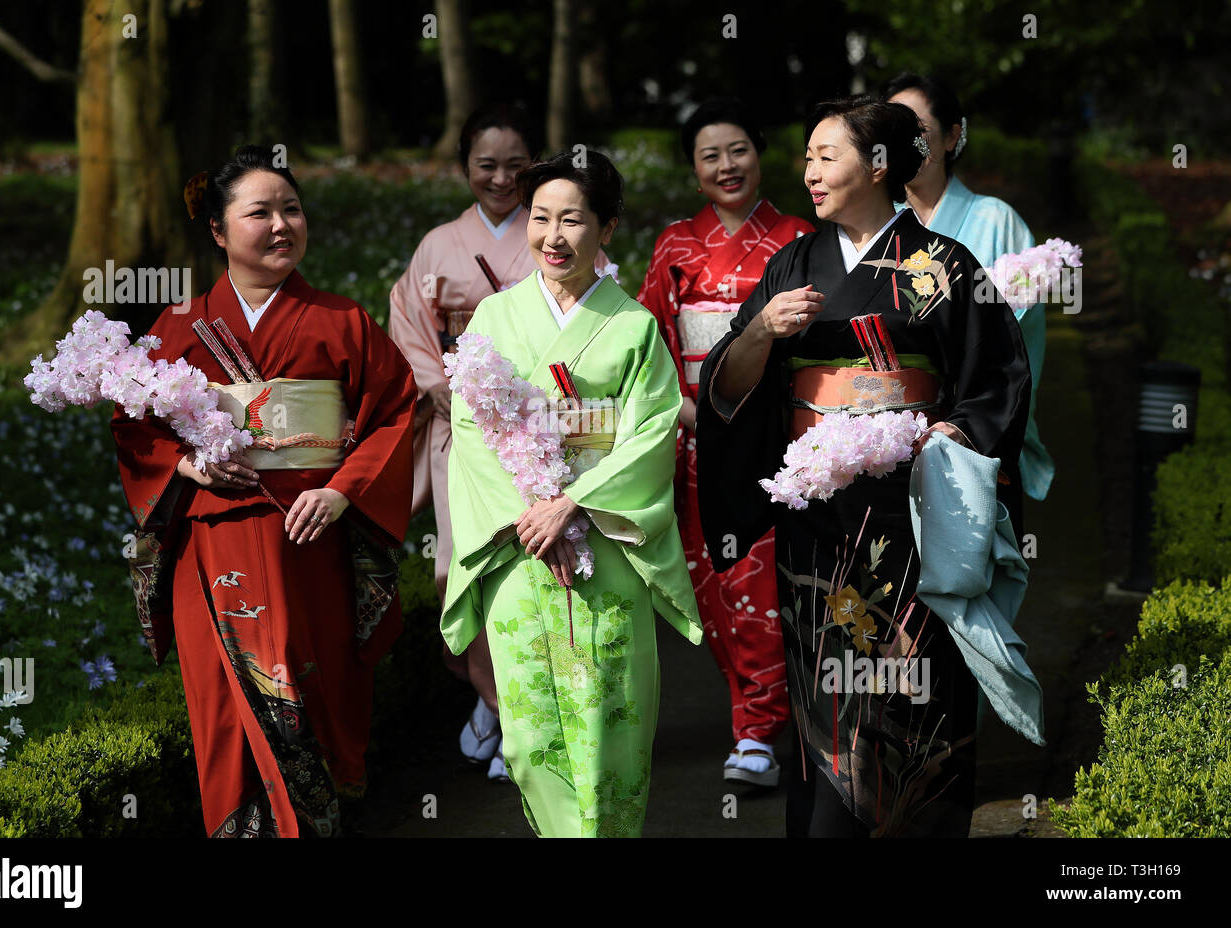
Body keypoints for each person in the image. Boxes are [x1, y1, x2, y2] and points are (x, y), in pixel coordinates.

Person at [696, 98, 1030, 837]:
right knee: (827, 688)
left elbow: (997, 377)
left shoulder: (941, 263)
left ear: (878, 166)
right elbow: (727, 385)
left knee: (914, 687)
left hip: (911, 510)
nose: (809, 172)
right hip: (817, 517)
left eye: (827, 156)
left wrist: (950, 433)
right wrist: (760, 330)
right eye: (808, 157)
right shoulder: (792, 265)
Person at [111, 145, 417, 837]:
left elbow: (397, 412)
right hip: (211, 544)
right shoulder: (180, 325)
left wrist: (342, 491)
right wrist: (187, 466)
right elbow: (133, 423)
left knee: (312, 692)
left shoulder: (343, 323)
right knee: (227, 712)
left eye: (292, 209)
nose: (282, 224)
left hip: (309, 541)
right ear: (218, 232)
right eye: (260, 213)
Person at [441, 150, 702, 837]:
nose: (554, 237)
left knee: (609, 716)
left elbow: (650, 435)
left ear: (607, 228)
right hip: (520, 547)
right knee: (530, 734)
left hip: (604, 546)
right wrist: (532, 511)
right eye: (540, 218)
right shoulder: (494, 317)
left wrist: (576, 505)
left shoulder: (634, 326)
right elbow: (470, 433)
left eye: (574, 220)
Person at [388, 104, 614, 779]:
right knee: (458, 572)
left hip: (546, 428)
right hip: (464, 426)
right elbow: (407, 321)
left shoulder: (561, 229)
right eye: (485, 165)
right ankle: (499, 699)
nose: (501, 177)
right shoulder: (438, 245)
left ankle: (534, 721)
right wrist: (440, 384)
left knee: (548, 574)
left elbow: (598, 311)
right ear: (465, 170)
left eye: (515, 164)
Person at [636, 97, 814, 788]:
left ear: (760, 153)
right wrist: (687, 415)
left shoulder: (799, 236)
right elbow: (651, 342)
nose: (725, 165)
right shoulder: (676, 244)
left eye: (737, 149)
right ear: (693, 168)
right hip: (694, 432)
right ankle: (755, 715)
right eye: (709, 155)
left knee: (761, 583)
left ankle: (758, 732)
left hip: (771, 437)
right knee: (712, 583)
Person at [885, 72, 1054, 520]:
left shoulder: (998, 220)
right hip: (888, 436)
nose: (906, 143)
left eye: (917, 130)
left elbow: (1017, 339)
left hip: (971, 432)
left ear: (952, 135)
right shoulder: (875, 227)